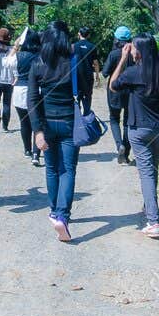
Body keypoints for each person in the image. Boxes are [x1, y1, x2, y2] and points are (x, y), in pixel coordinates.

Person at [109, 33, 159, 237]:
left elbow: (113, 85)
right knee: (152, 169)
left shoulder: (132, 73)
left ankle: (153, 221)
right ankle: (150, 207)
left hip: (139, 129)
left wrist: (122, 58)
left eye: (132, 49)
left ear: (138, 51)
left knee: (147, 172)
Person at [28, 21, 81, 241]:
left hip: (46, 124)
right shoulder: (74, 61)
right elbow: (85, 92)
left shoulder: (37, 63)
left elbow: (32, 100)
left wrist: (37, 131)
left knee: (51, 168)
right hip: (69, 122)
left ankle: (53, 210)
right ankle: (63, 216)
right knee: (67, 169)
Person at [103, 25, 134, 165]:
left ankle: (119, 145)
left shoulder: (114, 54)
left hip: (114, 90)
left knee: (114, 119)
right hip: (131, 90)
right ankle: (126, 154)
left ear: (116, 38)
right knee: (128, 121)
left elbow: (104, 73)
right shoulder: (134, 53)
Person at [14, 27, 43, 167]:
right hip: (35, 91)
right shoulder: (40, 55)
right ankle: (36, 154)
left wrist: (15, 47)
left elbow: (7, 64)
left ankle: (27, 150)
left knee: (24, 122)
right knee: (37, 121)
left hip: (19, 90)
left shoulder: (19, 55)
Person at [72, 26, 98, 113]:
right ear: (89, 35)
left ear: (79, 34)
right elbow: (95, 63)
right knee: (87, 97)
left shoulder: (74, 46)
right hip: (88, 76)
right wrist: (97, 75)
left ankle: (78, 118)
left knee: (77, 98)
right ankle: (87, 115)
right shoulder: (92, 46)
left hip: (76, 76)